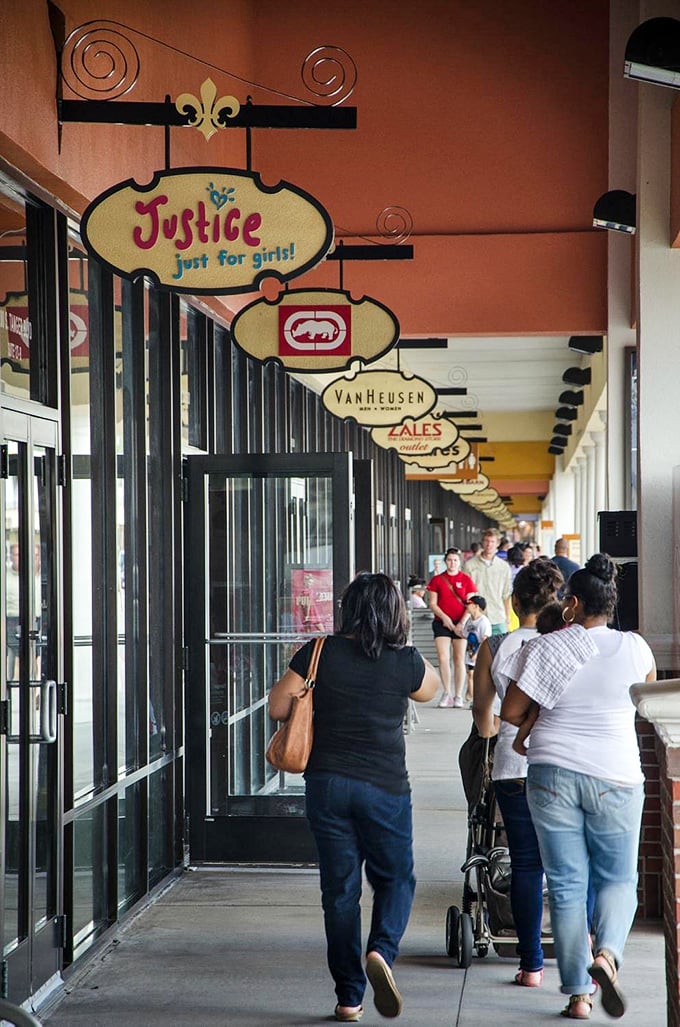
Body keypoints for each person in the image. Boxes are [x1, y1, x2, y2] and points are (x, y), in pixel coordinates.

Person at [268, 573, 439, 1022]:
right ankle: (381, 951)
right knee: (396, 878)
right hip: (384, 787)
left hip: (327, 785)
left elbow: (277, 707)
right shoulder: (404, 660)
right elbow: (433, 688)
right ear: (394, 611)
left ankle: (349, 997)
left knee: (340, 891)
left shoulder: (319, 652)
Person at [500, 554, 656, 1021]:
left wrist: (535, 720)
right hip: (617, 774)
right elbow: (643, 705)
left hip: (551, 772)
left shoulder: (548, 646)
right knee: (618, 878)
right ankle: (607, 955)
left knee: (567, 884)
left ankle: (579, 995)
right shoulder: (636, 648)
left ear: (572, 604)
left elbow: (509, 711)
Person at [472, 557, 564, 989]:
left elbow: (482, 715)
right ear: (559, 602)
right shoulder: (567, 643)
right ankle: (575, 955)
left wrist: (497, 737)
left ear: (513, 601)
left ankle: (530, 966)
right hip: (561, 762)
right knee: (565, 865)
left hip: (512, 765)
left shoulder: (496, 646)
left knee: (526, 864)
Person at [425, 548, 477, 708]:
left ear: (459, 561)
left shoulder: (466, 579)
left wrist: (462, 622)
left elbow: (472, 604)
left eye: (455, 560)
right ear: (445, 561)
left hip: (461, 622)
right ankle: (446, 692)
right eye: (449, 560)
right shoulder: (438, 580)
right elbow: (432, 603)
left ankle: (458, 695)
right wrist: (445, 618)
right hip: (442, 622)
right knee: (443, 657)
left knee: (459, 658)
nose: (452, 563)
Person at [464, 528, 513, 634]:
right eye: (486, 541)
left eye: (492, 541)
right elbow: (466, 593)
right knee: (476, 650)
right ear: (482, 542)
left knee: (500, 649)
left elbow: (506, 595)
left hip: (498, 617)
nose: (489, 544)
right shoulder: (470, 565)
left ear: (498, 543)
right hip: (476, 617)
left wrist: (507, 618)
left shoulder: (503, 567)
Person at [461, 594, 491, 704]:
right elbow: (465, 634)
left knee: (476, 676)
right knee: (470, 674)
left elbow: (485, 640)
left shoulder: (484, 622)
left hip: (479, 653)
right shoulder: (469, 621)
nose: (466, 606)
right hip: (470, 651)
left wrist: (477, 654)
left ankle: (474, 698)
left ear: (476, 606)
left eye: (469, 604)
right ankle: (471, 696)